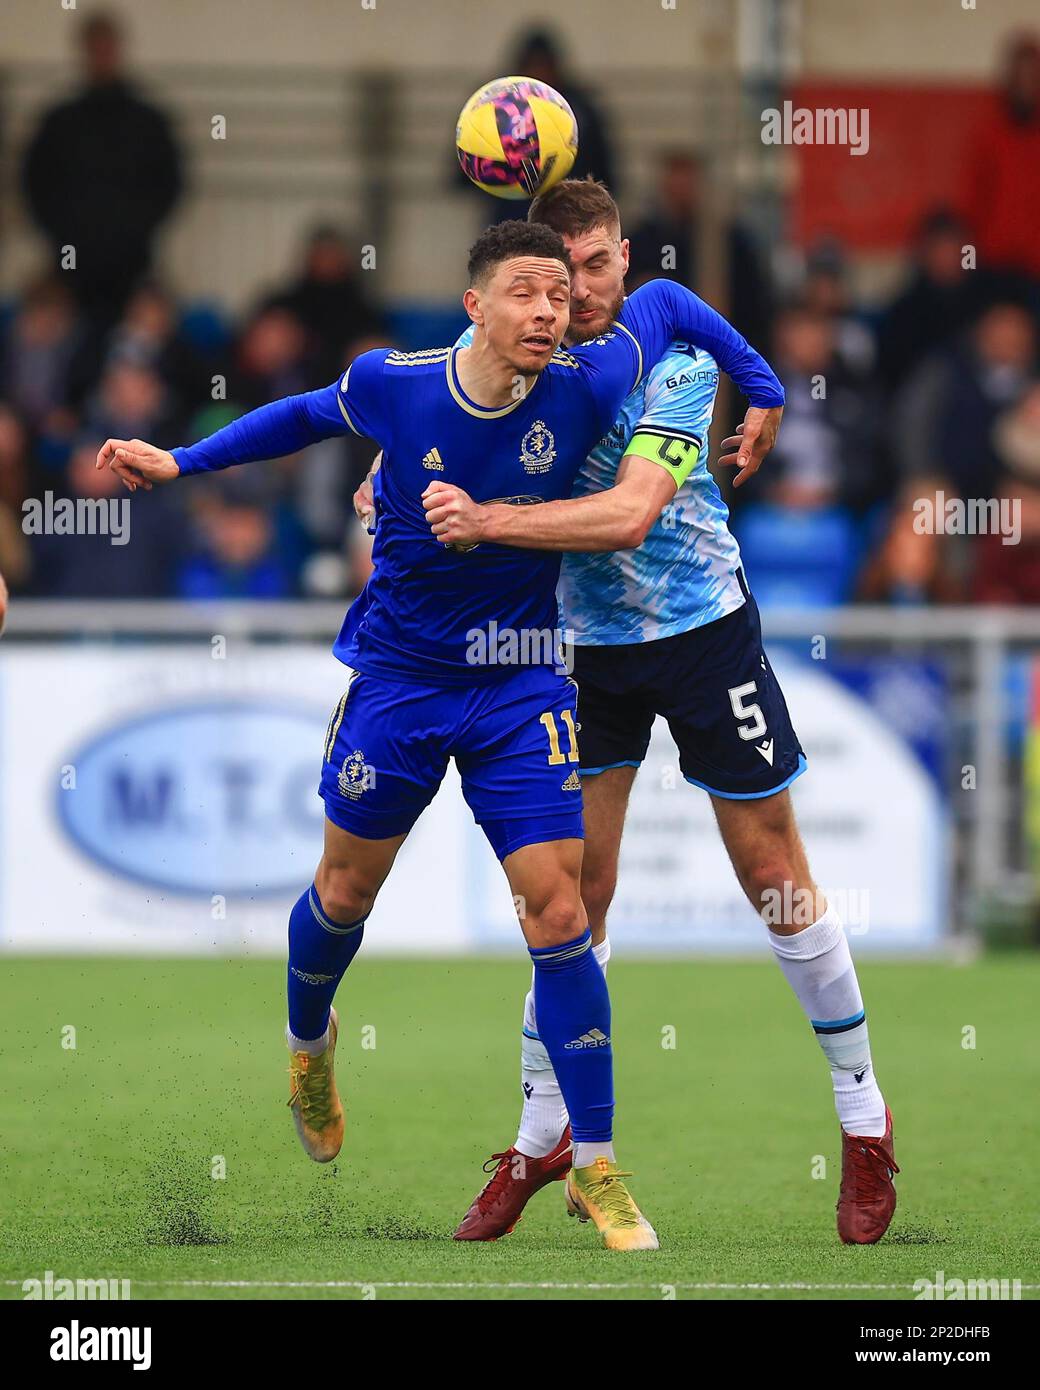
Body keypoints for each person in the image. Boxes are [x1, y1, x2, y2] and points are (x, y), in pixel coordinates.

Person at [97, 219, 784, 1251]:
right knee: (342, 893)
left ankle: (596, 1164)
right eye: (525, 292)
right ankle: (307, 1042)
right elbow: (297, 418)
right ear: (475, 304)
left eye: (559, 294)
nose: (549, 311)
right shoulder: (396, 382)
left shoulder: (589, 383)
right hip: (403, 680)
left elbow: (674, 309)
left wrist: (763, 386)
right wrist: (184, 460)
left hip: (521, 685)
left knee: (558, 909)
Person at [417, 180, 898, 1246]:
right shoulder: (525, 368)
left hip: (700, 633)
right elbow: (436, 408)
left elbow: (633, 517)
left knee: (773, 878)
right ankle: (542, 1133)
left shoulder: (670, 361)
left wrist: (489, 516)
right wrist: (388, 471)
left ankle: (863, 1122)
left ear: (622, 260)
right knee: (568, 896)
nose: (577, 293)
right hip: (584, 657)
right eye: (558, 272)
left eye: (594, 267)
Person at [20, 12, 183, 331]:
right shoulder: (60, 122)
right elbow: (34, 184)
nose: (101, 56)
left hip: (132, 262)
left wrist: (136, 229)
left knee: (132, 342)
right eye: (95, 48)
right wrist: (62, 231)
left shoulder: (147, 121)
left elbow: (170, 183)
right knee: (65, 345)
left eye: (107, 48)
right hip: (70, 262)